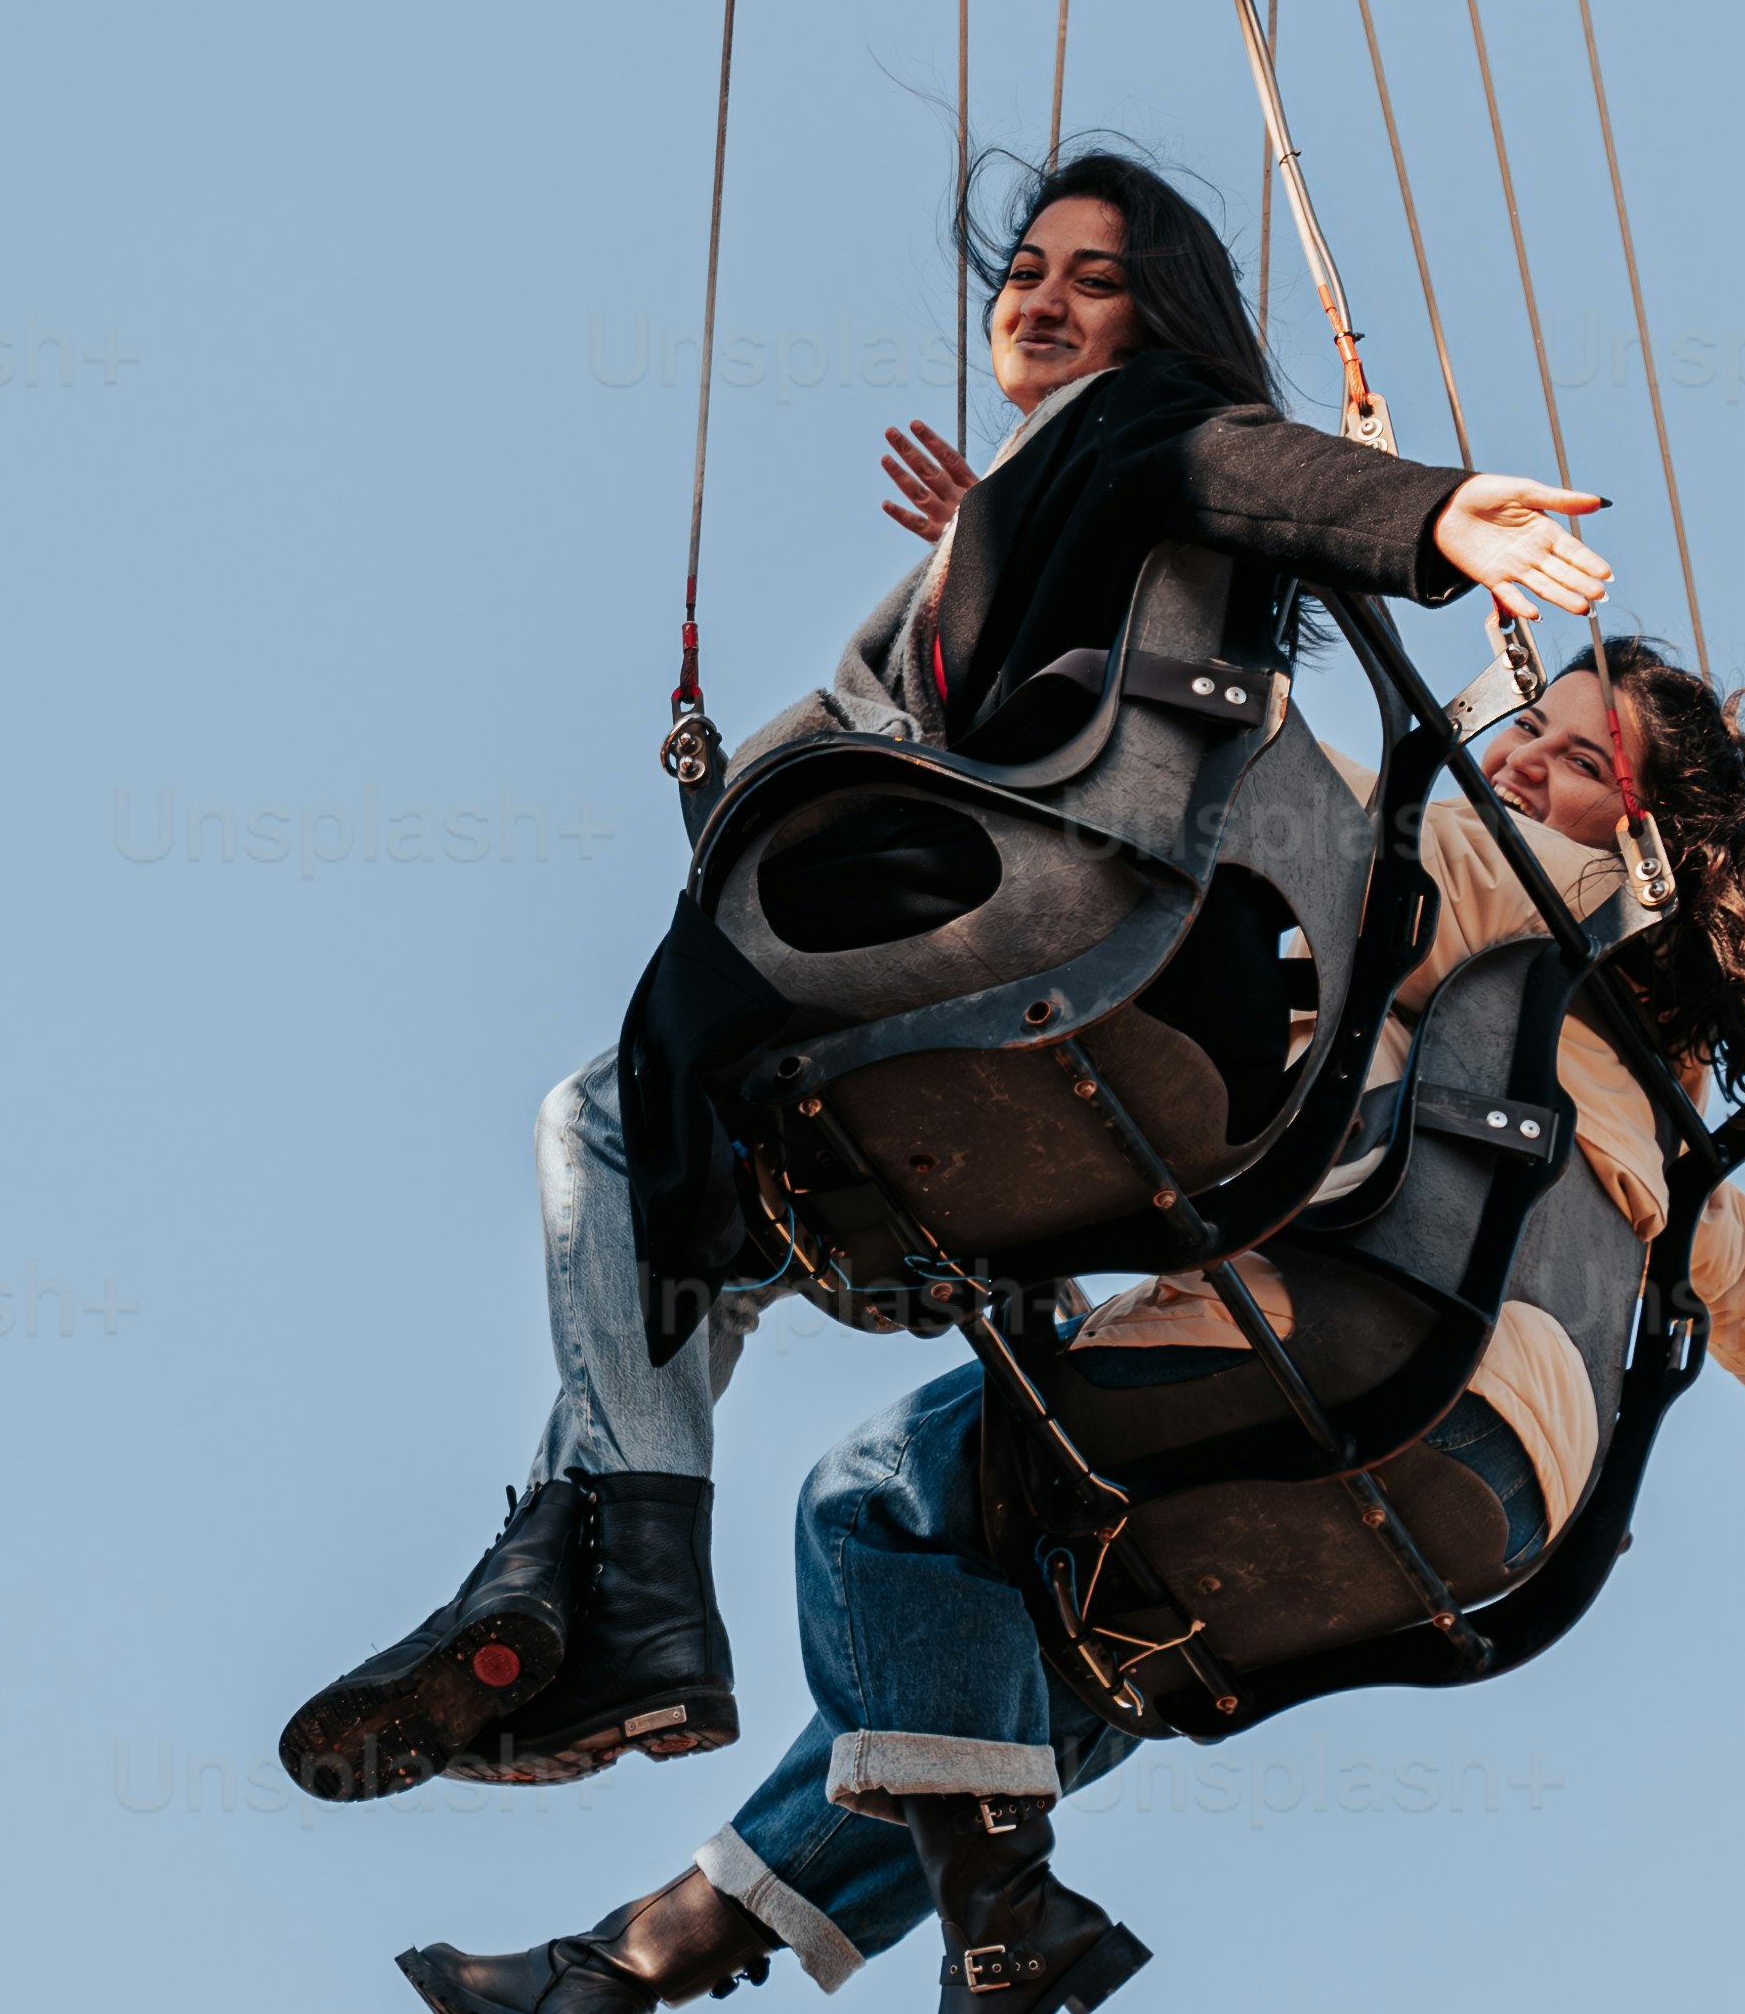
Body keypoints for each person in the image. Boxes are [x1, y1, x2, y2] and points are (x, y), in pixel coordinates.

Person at [402, 636, 1745, 2014]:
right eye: (1531, 726)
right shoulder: (1625, 1095)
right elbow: (1740, 1269)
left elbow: (1308, 810)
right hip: (1506, 1487)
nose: (1528, 758)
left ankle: (990, 1907)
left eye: (1581, 760)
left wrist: (1098, 625)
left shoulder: (1514, 881)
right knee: (1027, 1677)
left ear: (1648, 850)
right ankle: (623, 1970)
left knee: (874, 1502)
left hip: (1364, 1343)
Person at [268, 144, 1610, 1804]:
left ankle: (636, 1584)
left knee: (604, 1130)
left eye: (1094, 277)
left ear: (1161, 316)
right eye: (1025, 272)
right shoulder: (1043, 500)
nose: (1045, 297)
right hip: (1109, 957)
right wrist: (975, 543)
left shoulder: (1144, 424)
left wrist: (1428, 514)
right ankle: (561, 1577)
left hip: (1052, 904)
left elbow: (1229, 457)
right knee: (692, 1238)